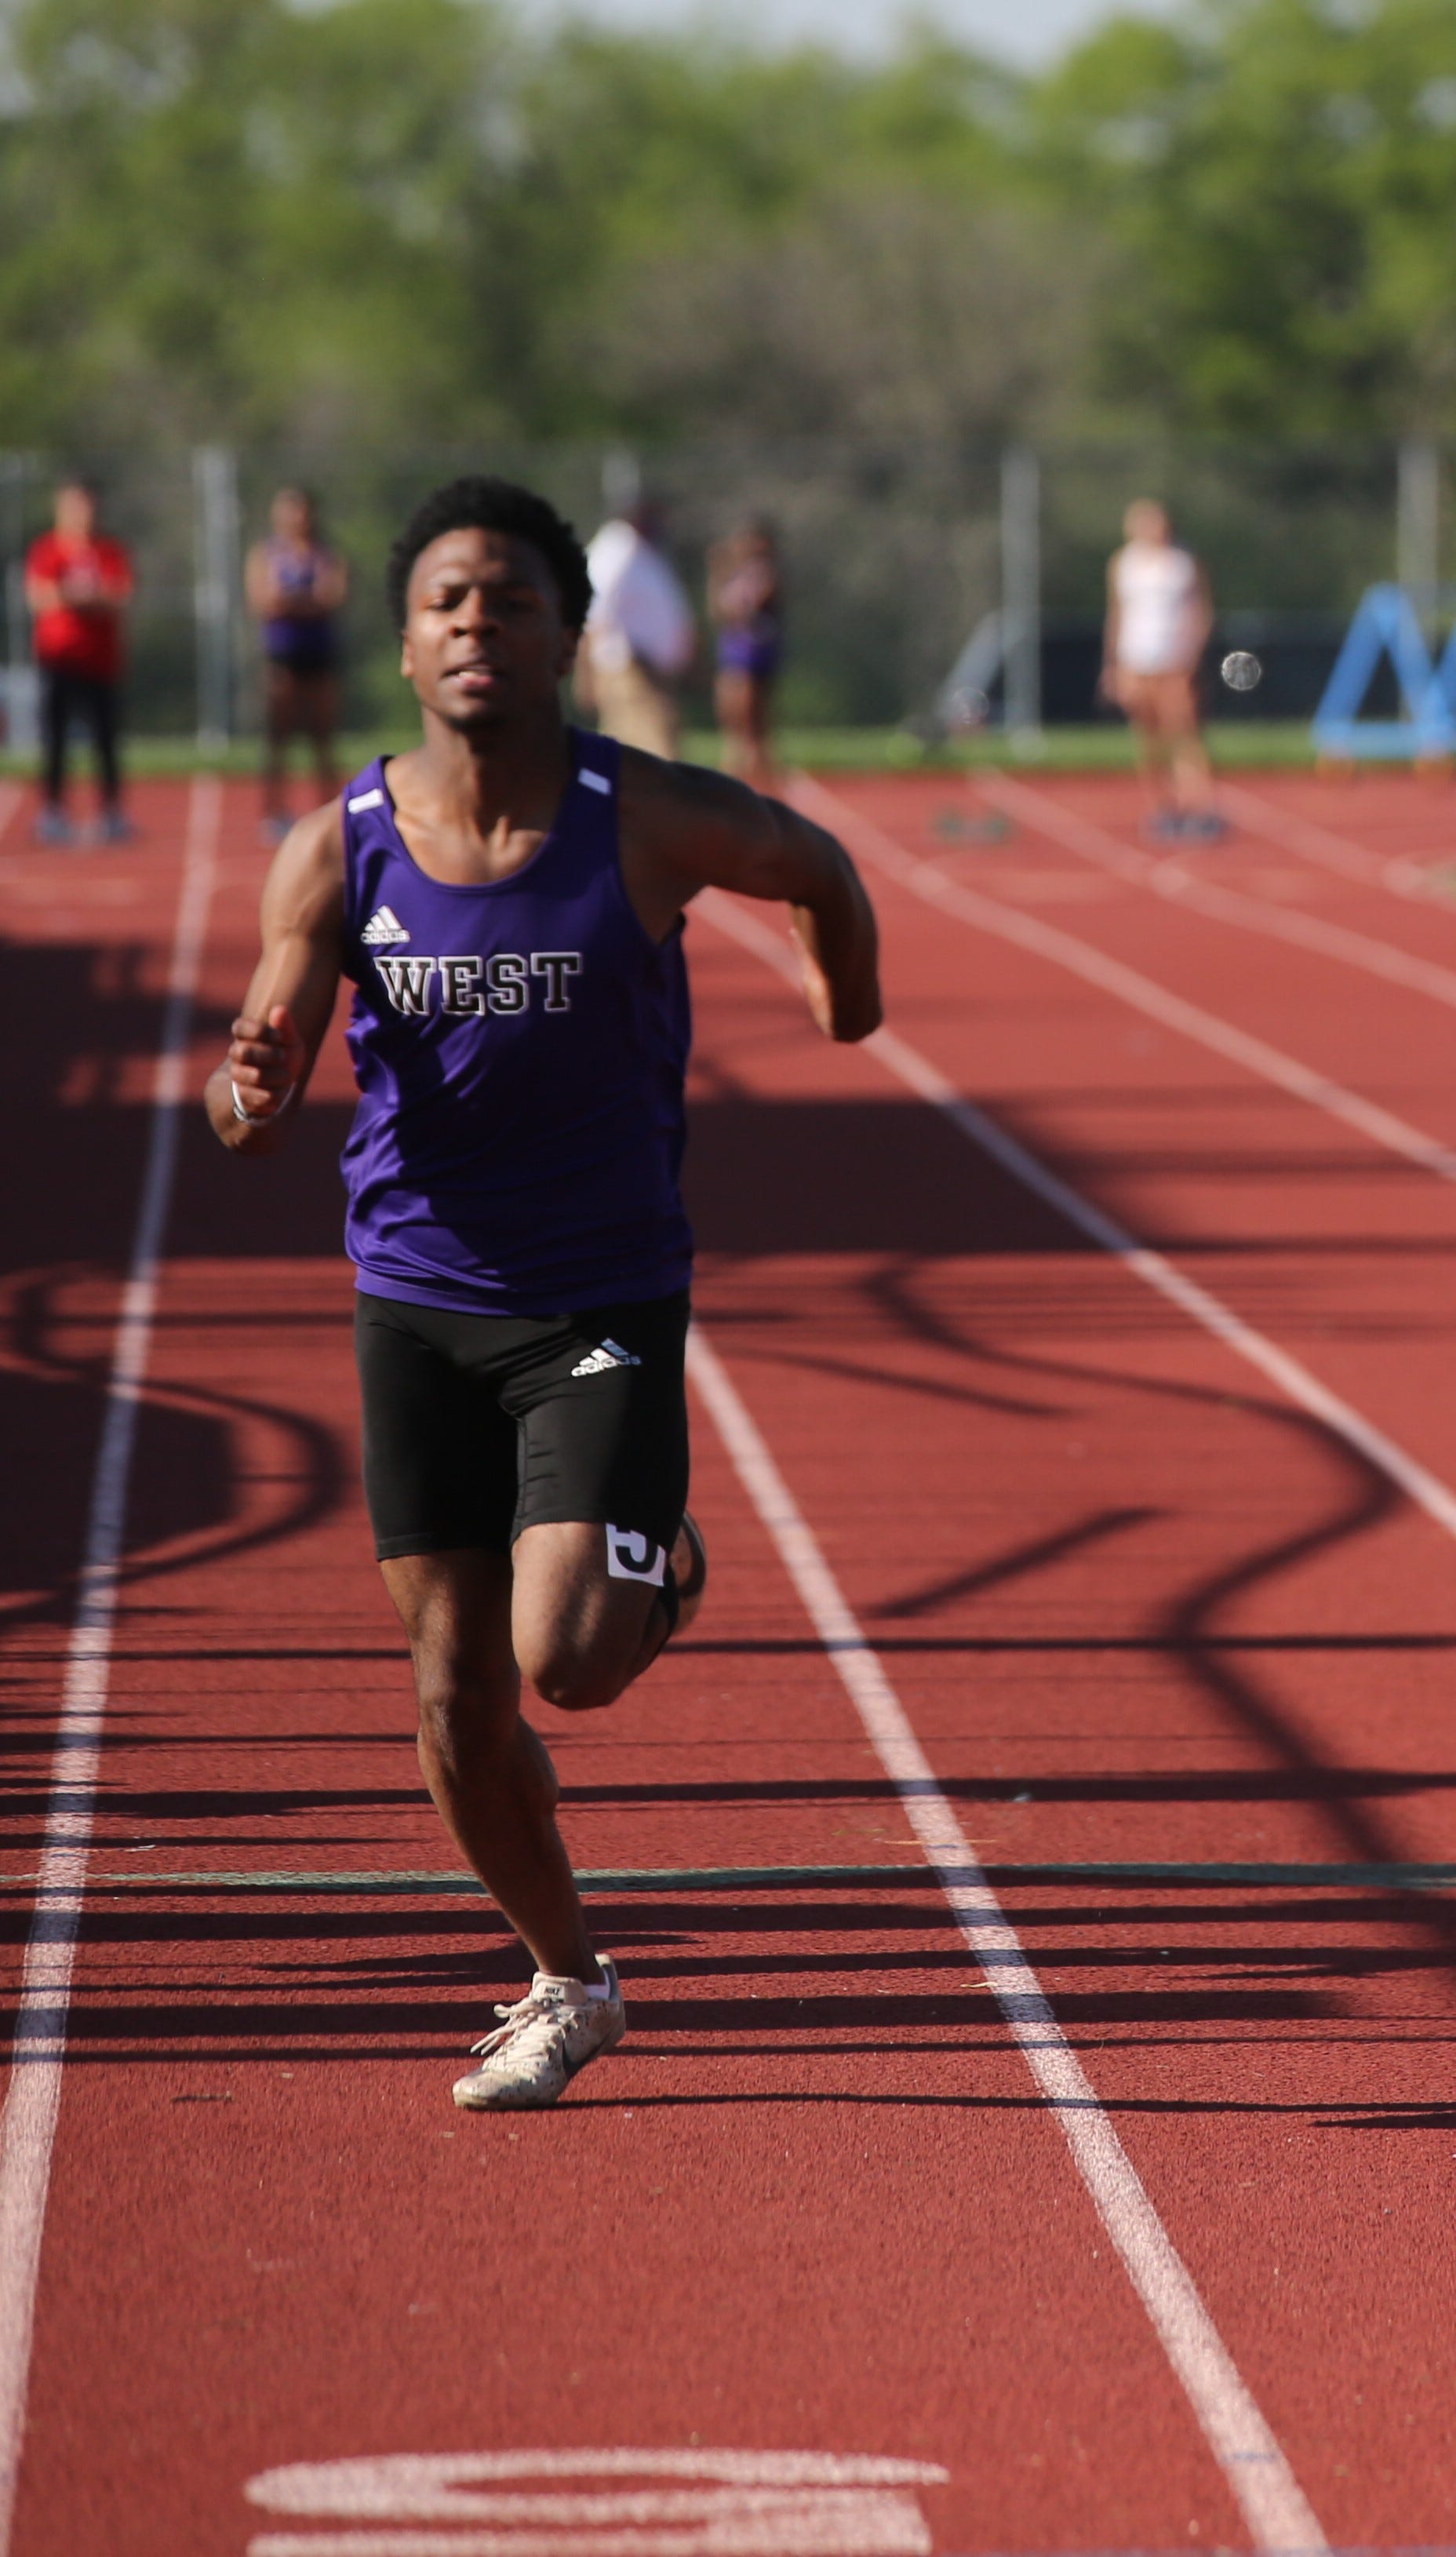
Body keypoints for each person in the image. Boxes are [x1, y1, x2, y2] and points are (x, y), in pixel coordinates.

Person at [205, 476, 882, 2111]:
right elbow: (260, 1056)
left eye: (508, 600)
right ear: (403, 639)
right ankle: (568, 1978)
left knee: (568, 1657)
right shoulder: (341, 845)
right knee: (454, 1690)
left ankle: (655, 1565)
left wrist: (847, 1004)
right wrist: (248, 1090)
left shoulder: (634, 813)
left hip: (597, 1295)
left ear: (568, 637)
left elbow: (815, 864)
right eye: (444, 601)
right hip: (415, 1296)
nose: (474, 627)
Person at [24, 478, 133, 846]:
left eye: (87, 505)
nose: (82, 514)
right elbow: (40, 596)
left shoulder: (109, 550)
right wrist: (84, 596)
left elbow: (119, 595)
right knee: (55, 740)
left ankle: (111, 812)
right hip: (58, 659)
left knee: (106, 740)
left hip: (100, 661)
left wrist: (74, 596)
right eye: (74, 506)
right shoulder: (47, 550)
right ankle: (54, 811)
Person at [1101, 499, 1218, 840]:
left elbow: (1202, 611)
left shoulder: (1184, 563)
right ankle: (1162, 809)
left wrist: (1195, 654)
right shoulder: (1122, 563)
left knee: (1185, 733)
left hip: (1176, 661)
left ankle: (1200, 807)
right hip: (1136, 661)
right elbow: (1116, 614)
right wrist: (1113, 665)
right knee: (1148, 738)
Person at [248, 486, 351, 842]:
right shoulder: (268, 554)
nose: (297, 518)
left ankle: (331, 813)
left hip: (319, 655)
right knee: (278, 739)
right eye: (289, 510)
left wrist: (294, 602)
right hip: (281, 657)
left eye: (302, 510)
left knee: (323, 739)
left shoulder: (325, 555)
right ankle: (274, 813)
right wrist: (304, 602)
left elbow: (331, 596)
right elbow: (264, 599)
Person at [579, 501, 696, 757]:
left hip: (646, 666)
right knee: (659, 745)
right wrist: (587, 670)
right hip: (630, 664)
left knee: (629, 749)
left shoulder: (640, 551)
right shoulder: (619, 549)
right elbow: (596, 609)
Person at [708, 517, 781, 785]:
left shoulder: (764, 573)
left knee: (753, 727)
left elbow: (745, 609)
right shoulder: (732, 574)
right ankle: (735, 777)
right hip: (732, 656)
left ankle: (761, 781)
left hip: (754, 658)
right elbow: (719, 612)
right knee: (731, 723)